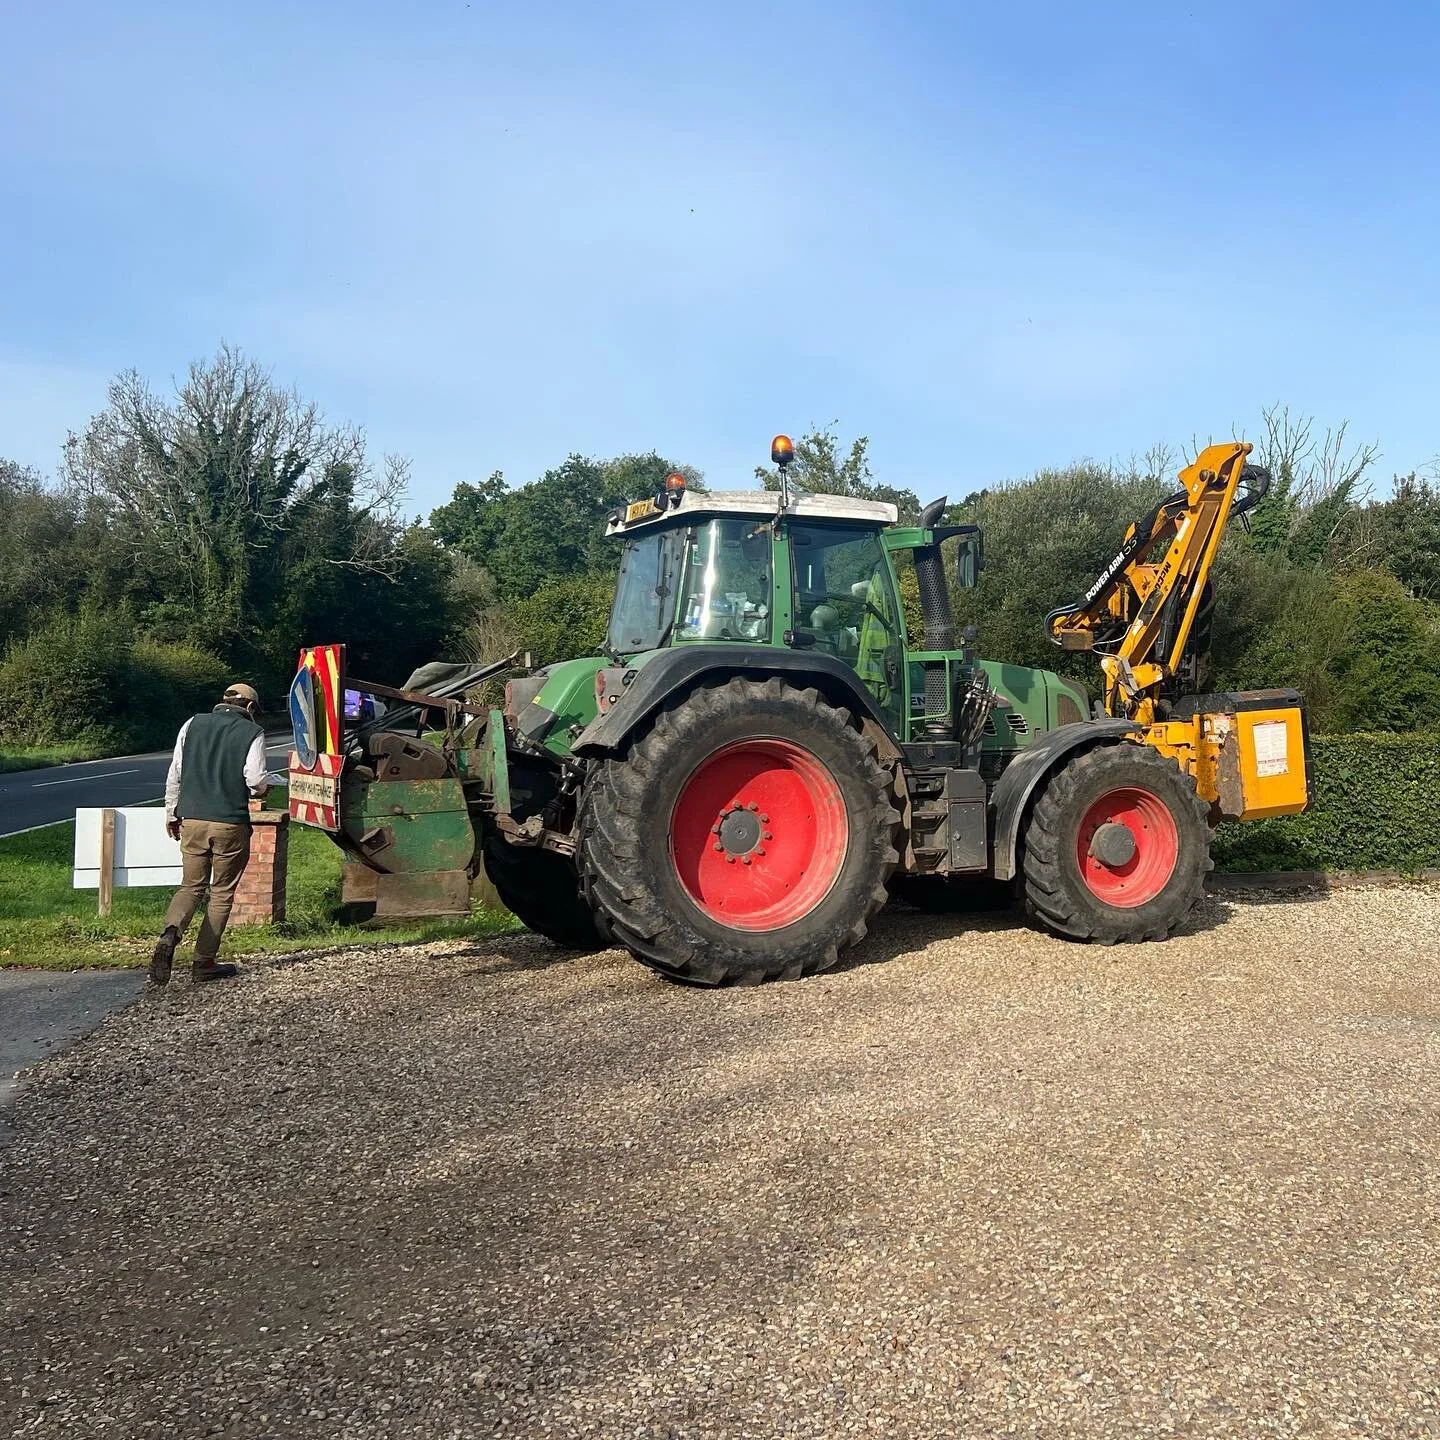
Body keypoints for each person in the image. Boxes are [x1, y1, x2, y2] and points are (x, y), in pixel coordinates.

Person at [150, 683, 271, 985]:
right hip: (229, 822)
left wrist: (171, 812)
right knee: (221, 893)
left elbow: (175, 771)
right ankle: (203, 963)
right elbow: (255, 780)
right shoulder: (252, 733)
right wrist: (264, 788)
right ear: (251, 708)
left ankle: (170, 933)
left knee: (191, 886)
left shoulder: (192, 724)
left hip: (191, 819)